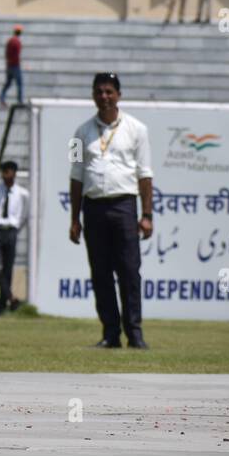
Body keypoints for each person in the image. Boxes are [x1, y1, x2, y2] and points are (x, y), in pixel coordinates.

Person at [69, 72, 153, 349]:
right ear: (93, 95)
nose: (103, 97)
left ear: (118, 94)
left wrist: (147, 215)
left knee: (130, 271)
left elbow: (145, 175)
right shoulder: (80, 133)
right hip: (94, 208)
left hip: (124, 205)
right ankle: (110, 333)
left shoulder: (137, 129)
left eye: (109, 91)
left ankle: (135, 333)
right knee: (100, 273)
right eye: (99, 92)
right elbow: (76, 176)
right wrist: (74, 219)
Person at [0, 160, 28, 313]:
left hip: (11, 231)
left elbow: (24, 215)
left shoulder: (22, 193)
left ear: (14, 173)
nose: (5, 175)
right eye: (3, 172)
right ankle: (11, 297)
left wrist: (15, 228)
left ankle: (2, 305)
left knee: (8, 269)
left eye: (8, 171)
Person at [0, 25, 24, 107]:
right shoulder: (17, 42)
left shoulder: (10, 41)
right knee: (19, 84)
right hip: (15, 66)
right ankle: (20, 101)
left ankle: (2, 99)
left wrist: (8, 62)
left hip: (9, 65)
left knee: (8, 83)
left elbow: (6, 53)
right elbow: (17, 54)